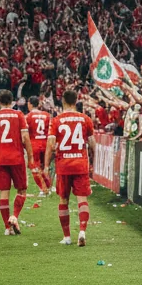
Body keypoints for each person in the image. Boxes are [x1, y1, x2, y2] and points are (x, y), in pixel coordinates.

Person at [46, 90, 95, 247]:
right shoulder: (85, 119)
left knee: (63, 200)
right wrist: (93, 162)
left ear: (63, 101)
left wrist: (46, 165)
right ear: (76, 101)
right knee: (82, 199)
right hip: (80, 164)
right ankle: (82, 231)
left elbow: (51, 144)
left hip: (64, 165)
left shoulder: (57, 120)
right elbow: (93, 144)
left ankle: (67, 237)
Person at [0, 90, 33, 236]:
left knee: (4, 192)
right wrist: (30, 157)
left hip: (1, 158)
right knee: (22, 190)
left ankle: (7, 228)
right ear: (12, 101)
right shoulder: (19, 115)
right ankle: (14, 216)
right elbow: (25, 137)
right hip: (17, 158)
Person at [26, 95, 53, 198]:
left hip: (34, 144)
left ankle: (43, 190)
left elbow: (26, 132)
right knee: (43, 167)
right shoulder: (47, 115)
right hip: (46, 144)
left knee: (34, 168)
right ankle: (48, 187)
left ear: (30, 104)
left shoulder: (28, 117)